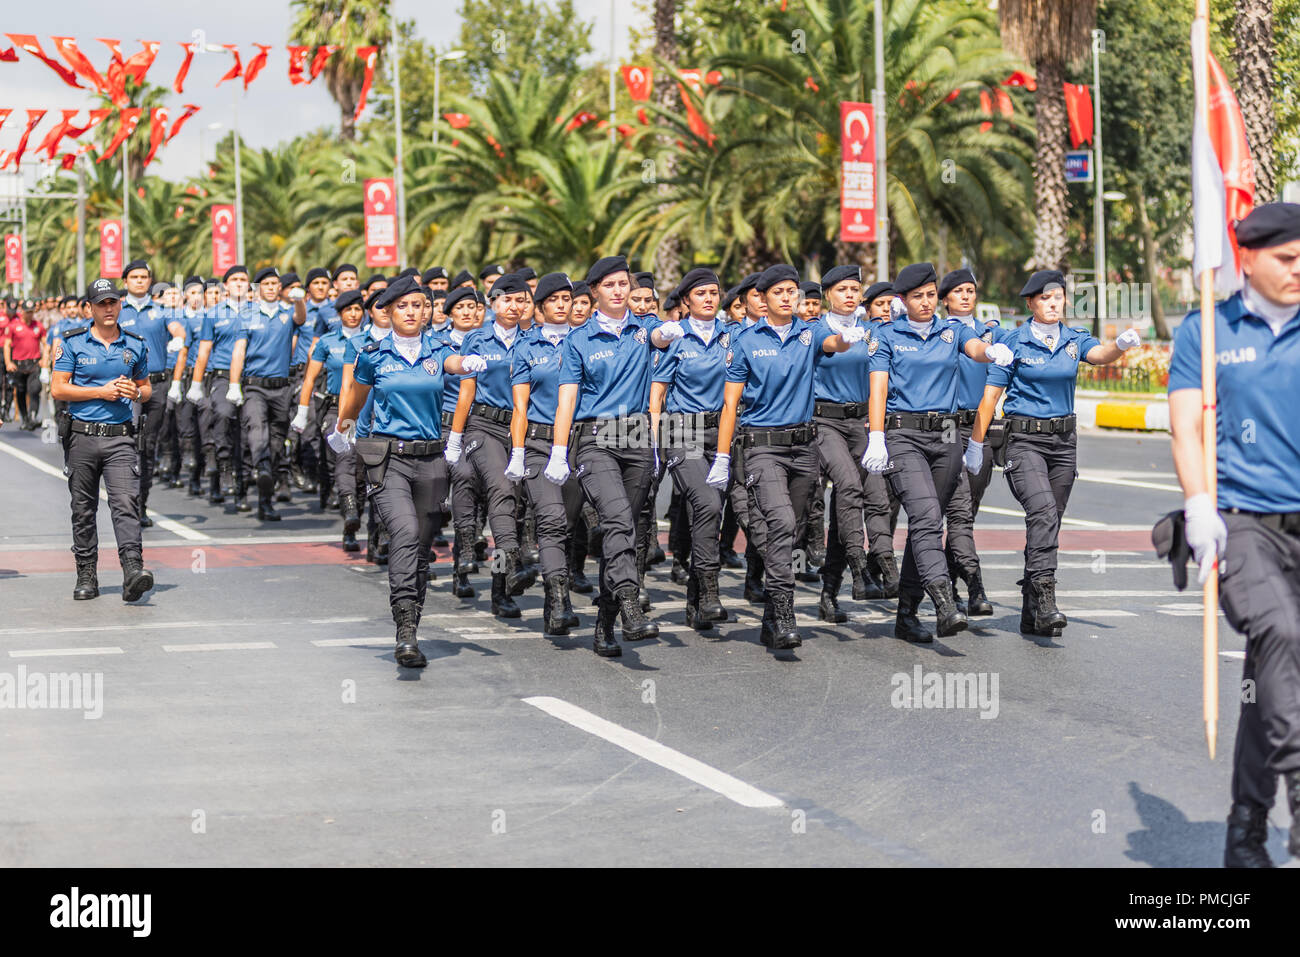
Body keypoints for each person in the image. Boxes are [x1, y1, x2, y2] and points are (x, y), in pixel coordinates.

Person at [1163, 202, 1300, 868]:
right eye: (1287, 258)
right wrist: (1197, 503)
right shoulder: (1208, 332)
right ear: (1246, 257)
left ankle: (1245, 831)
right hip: (1243, 523)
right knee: (1282, 634)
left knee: (1273, 679)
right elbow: (1187, 426)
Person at [967, 269, 1137, 637]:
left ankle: (1031, 609)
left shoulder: (1073, 340)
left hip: (1063, 444)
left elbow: (1100, 353)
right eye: (1044, 298)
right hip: (1024, 442)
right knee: (1042, 511)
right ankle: (1046, 599)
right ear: (1030, 303)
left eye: (1058, 297)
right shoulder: (1013, 342)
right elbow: (990, 398)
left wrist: (1120, 344)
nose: (1052, 303)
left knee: (1050, 521)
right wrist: (976, 445)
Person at [328, 275, 486, 668]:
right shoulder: (374, 355)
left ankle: (414, 616)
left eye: (419, 306)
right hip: (389, 459)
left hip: (431, 460)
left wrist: (466, 362)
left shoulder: (438, 348)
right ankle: (405, 630)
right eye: (404, 306)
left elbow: (452, 364)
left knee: (420, 550)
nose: (413, 312)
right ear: (389, 312)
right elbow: (355, 399)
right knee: (405, 532)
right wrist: (342, 432)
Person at [863, 262, 1014, 643]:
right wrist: (877, 436)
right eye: (918, 297)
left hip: (946, 438)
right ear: (903, 300)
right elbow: (878, 388)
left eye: (931, 295)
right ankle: (945, 601)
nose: (927, 302)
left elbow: (974, 348)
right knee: (928, 515)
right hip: (904, 436)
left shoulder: (952, 330)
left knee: (926, 524)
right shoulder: (887, 336)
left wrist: (990, 351)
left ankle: (907, 613)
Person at [710, 264, 858, 650]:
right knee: (780, 521)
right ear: (763, 300)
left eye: (792, 291)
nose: (789, 297)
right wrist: (723, 458)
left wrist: (847, 338)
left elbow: (834, 344)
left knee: (790, 533)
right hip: (762, 447)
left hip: (803, 447)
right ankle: (785, 610)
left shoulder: (812, 332)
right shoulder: (744, 340)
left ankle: (770, 619)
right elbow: (730, 405)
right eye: (779, 292)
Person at [549, 256, 661, 657]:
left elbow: (663, 338)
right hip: (596, 438)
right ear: (594, 291)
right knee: (614, 519)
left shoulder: (644, 328)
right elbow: (566, 402)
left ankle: (604, 624)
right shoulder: (579, 340)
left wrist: (671, 330)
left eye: (624, 284)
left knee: (623, 532)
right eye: (610, 285)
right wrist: (559, 452)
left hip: (636, 437)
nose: (619, 291)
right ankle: (630, 604)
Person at [50, 278, 155, 603]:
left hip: (120, 438)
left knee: (126, 504)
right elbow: (58, 388)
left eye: (112, 302)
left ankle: (133, 571)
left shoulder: (134, 344)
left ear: (119, 305)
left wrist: (136, 392)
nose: (108, 308)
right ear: (90, 308)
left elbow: (146, 386)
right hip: (82, 436)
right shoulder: (72, 342)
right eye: (101, 303)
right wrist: (100, 391)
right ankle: (86, 573)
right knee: (83, 509)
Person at [446, 272, 538, 617]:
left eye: (521, 300)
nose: (514, 306)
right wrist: (455, 439)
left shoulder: (535, 341)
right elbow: (466, 394)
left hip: (522, 428)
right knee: (500, 487)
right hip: (483, 428)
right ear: (493, 303)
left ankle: (501, 591)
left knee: (512, 508)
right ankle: (512, 561)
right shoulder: (477, 339)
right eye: (507, 299)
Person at [650, 268, 730, 631]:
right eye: (701, 294)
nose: (710, 299)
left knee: (710, 511)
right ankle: (711, 591)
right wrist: (654, 444)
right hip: (684, 431)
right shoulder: (676, 339)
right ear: (686, 301)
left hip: (724, 432)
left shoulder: (734, 336)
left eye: (714, 292)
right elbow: (658, 394)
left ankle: (696, 598)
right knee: (707, 503)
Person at [507, 272, 584, 634]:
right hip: (539, 442)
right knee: (551, 520)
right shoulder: (525, 348)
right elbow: (519, 407)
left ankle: (559, 588)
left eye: (566, 300)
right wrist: (518, 451)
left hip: (581, 443)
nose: (561, 306)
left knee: (567, 523)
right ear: (539, 307)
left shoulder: (585, 340)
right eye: (553, 300)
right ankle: (558, 601)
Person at [810, 265, 885, 624]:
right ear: (828, 295)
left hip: (859, 423)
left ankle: (829, 592)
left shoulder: (872, 331)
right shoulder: (814, 330)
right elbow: (832, 345)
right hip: (824, 422)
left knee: (861, 499)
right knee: (849, 485)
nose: (851, 295)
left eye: (855, 289)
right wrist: (846, 338)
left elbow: (879, 379)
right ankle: (860, 569)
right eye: (842, 289)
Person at [939, 268, 1003, 616]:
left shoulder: (991, 332)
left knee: (967, 514)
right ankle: (976, 588)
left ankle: (949, 582)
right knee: (959, 512)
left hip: (982, 429)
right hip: (948, 429)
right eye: (958, 291)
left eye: (970, 290)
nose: (965, 296)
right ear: (945, 298)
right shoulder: (938, 333)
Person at [227, 267, 307, 521]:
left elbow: (301, 319)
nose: (271, 287)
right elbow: (239, 350)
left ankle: (265, 501)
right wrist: (233, 383)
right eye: (267, 284)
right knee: (256, 427)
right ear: (258, 288)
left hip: (281, 387)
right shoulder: (247, 315)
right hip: (254, 386)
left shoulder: (287, 313)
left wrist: (299, 300)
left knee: (276, 441)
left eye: (275, 284)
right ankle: (259, 465)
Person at [294, 289, 366, 551]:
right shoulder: (326, 342)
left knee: (361, 468)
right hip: (338, 409)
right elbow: (310, 378)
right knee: (345, 457)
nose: (354, 314)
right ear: (339, 314)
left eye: (358, 309)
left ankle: (354, 516)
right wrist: (303, 410)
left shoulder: (371, 339)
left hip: (367, 410)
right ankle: (349, 512)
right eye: (348, 310)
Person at [116, 261, 186, 527]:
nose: (140, 281)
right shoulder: (117, 310)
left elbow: (177, 329)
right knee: (128, 447)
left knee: (148, 447)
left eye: (144, 277)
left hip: (156, 386)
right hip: (125, 387)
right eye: (134, 277)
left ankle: (141, 504)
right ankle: (127, 504)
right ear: (125, 281)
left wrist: (178, 339)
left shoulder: (160, 310)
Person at [189, 265, 253, 506]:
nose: (239, 283)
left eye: (243, 279)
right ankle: (223, 463)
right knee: (222, 417)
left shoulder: (257, 312)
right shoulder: (213, 313)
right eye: (234, 279)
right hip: (222, 376)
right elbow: (204, 349)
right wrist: (196, 383)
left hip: (250, 378)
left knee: (246, 435)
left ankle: (242, 491)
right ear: (226, 285)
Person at [4, 297, 45, 430]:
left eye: (31, 312)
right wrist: (8, 362)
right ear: (22, 311)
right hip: (19, 365)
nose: (29, 314)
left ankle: (33, 416)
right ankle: (25, 418)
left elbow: (45, 343)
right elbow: (7, 345)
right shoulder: (13, 326)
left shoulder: (38, 326)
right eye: (27, 312)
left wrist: (45, 358)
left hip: (34, 364)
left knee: (34, 389)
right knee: (21, 392)